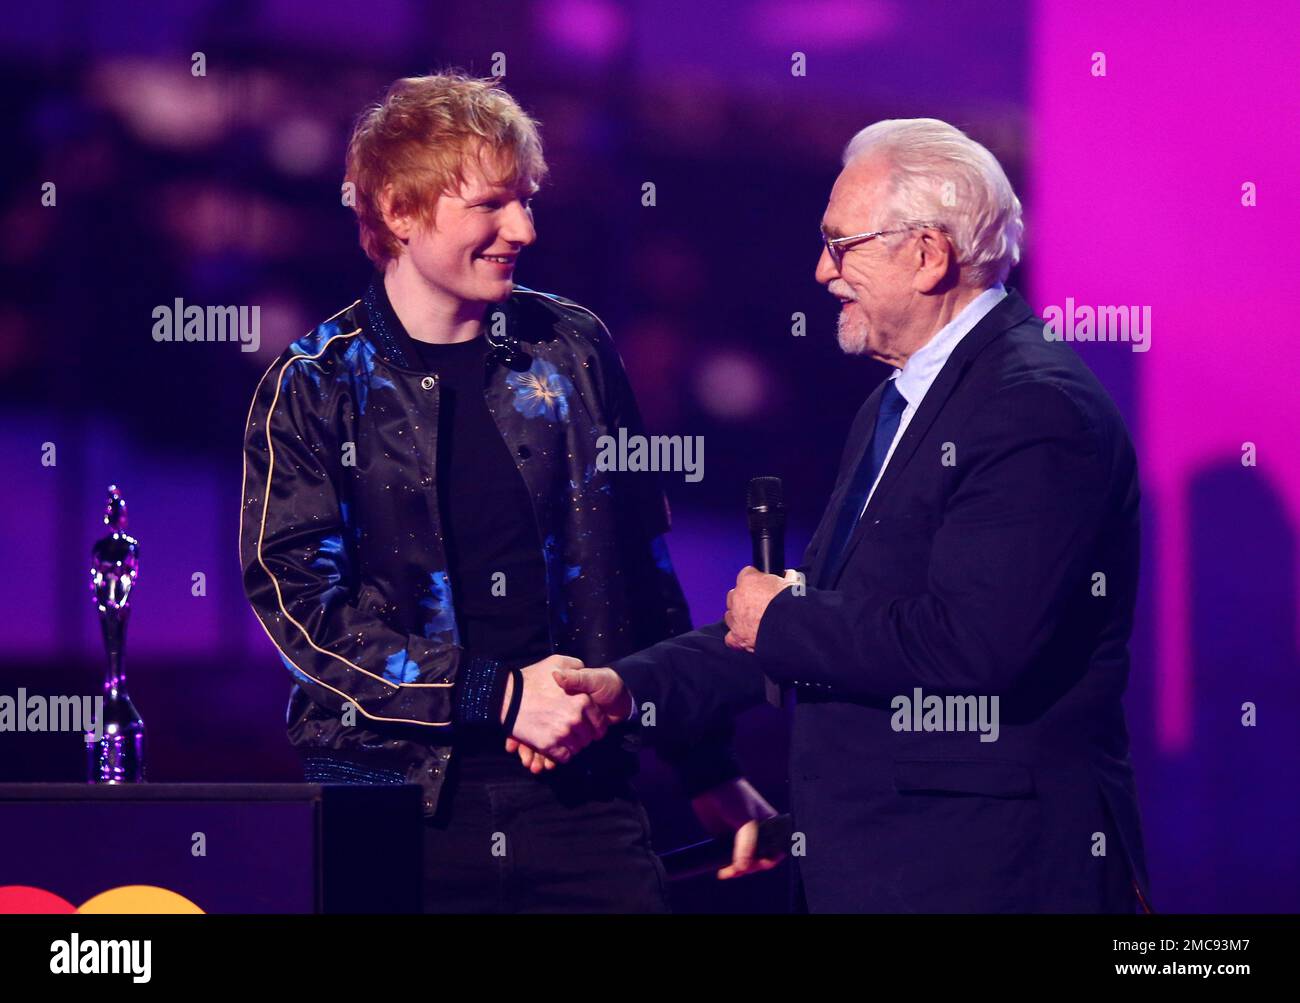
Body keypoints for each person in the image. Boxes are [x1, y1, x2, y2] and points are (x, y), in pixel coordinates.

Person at [553, 118, 1152, 913]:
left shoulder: (1033, 408)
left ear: (929, 254)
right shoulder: (896, 401)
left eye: (841, 246)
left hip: (989, 878)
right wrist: (622, 688)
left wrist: (786, 618)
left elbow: (973, 646)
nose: (821, 271)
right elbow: (823, 613)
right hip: (889, 869)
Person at [239, 73, 775, 913]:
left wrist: (706, 765)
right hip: (393, 801)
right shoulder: (313, 385)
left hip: (583, 797)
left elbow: (642, 572)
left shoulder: (574, 347)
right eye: (491, 205)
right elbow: (305, 610)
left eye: (525, 200)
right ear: (399, 211)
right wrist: (500, 695)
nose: (522, 228)